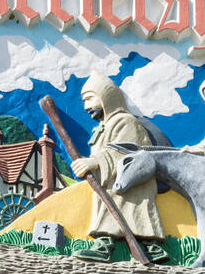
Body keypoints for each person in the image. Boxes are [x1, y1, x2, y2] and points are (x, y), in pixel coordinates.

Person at [71, 73, 169, 263]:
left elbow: (127, 151)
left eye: (90, 98)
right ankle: (106, 244)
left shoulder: (125, 121)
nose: (86, 106)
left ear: (105, 96)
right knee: (110, 207)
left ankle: (151, 247)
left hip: (131, 183)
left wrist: (96, 162)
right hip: (111, 181)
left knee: (132, 211)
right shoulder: (104, 127)